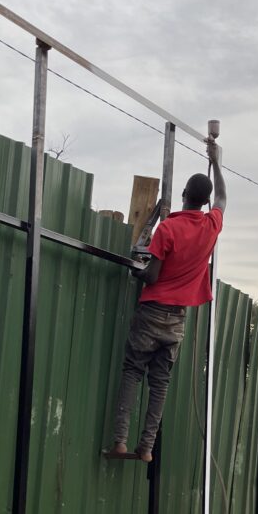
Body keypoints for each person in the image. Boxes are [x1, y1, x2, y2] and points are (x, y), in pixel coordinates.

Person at [107, 136, 226, 462]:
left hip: (153, 311)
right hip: (177, 320)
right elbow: (224, 197)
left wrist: (137, 270)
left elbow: (153, 275)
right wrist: (215, 160)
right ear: (205, 202)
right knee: (160, 383)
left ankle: (119, 441)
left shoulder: (168, 230)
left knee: (133, 371)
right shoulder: (211, 226)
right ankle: (146, 449)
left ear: (185, 196)